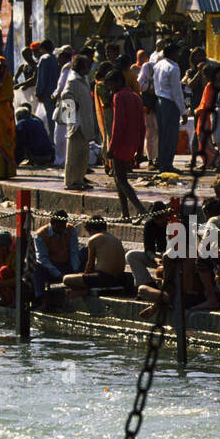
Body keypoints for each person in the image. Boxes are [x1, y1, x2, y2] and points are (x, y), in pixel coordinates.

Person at [107, 70, 147, 219]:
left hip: (121, 143)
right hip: (133, 142)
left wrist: (111, 147)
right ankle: (124, 214)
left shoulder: (119, 97)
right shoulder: (136, 97)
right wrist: (140, 150)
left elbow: (118, 124)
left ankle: (141, 209)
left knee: (121, 180)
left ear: (117, 82)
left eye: (110, 84)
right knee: (118, 179)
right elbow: (142, 126)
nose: (110, 87)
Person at [63, 216, 130, 299]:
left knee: (66, 279)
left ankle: (86, 290)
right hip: (119, 279)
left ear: (91, 230)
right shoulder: (116, 239)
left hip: (103, 278)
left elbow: (90, 265)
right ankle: (86, 289)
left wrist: (83, 275)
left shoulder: (94, 239)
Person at [60, 55, 98, 191]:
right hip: (77, 124)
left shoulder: (83, 79)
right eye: (87, 65)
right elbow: (65, 96)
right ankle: (71, 181)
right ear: (81, 67)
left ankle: (79, 179)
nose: (89, 68)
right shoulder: (73, 80)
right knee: (73, 154)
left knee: (83, 155)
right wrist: (72, 108)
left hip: (85, 121)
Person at [33, 209, 81, 299]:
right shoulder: (40, 235)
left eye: (63, 227)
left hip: (67, 264)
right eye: (58, 228)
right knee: (37, 268)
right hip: (51, 267)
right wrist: (59, 274)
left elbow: (74, 252)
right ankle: (41, 298)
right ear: (52, 224)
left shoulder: (70, 230)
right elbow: (43, 259)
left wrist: (75, 271)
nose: (61, 230)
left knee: (84, 252)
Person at [153, 43, 186, 173]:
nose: (178, 55)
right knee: (171, 136)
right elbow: (176, 92)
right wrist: (183, 110)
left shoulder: (158, 65)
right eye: (177, 53)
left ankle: (162, 162)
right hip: (169, 103)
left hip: (159, 101)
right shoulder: (173, 67)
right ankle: (167, 164)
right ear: (172, 53)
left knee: (162, 135)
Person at [127, 201, 170, 289]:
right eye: (156, 219)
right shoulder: (150, 224)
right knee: (131, 255)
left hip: (175, 257)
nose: (159, 222)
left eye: (161, 219)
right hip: (160, 256)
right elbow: (149, 247)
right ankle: (147, 284)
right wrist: (155, 258)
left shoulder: (175, 223)